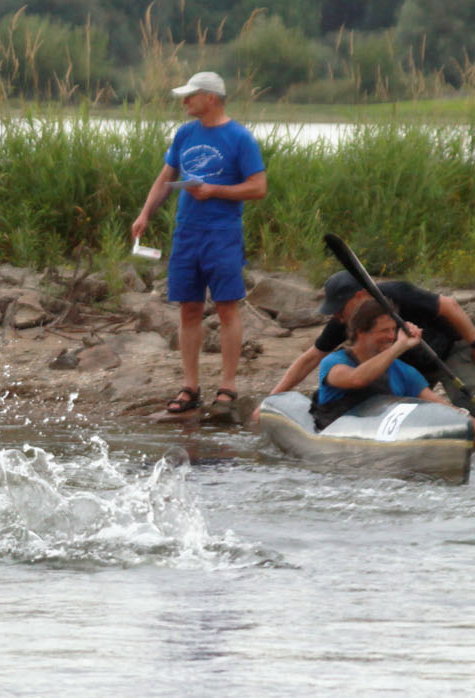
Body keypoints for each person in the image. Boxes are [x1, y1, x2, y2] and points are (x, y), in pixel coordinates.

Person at [130, 71, 267, 418]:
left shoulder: (240, 138)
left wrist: (215, 191)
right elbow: (166, 177)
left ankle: (228, 386)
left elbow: (258, 187)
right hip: (186, 233)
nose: (185, 101)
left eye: (191, 96)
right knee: (188, 308)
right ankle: (190, 386)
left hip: (222, 233)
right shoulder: (185, 133)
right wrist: (145, 213)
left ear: (211, 97)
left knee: (226, 307)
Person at [269, 270, 475, 414]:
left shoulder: (397, 293)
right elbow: (311, 358)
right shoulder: (345, 321)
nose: (338, 316)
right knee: (415, 419)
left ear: (359, 296)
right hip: (410, 365)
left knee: (469, 404)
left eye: (340, 308)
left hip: (451, 351)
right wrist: (271, 400)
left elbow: (450, 306)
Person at [310, 299, 472, 431]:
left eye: (393, 330)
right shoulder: (334, 362)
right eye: (384, 331)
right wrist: (400, 346)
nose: (391, 336)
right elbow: (357, 379)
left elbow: (443, 408)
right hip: (336, 434)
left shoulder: (404, 372)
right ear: (360, 332)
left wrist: (467, 421)